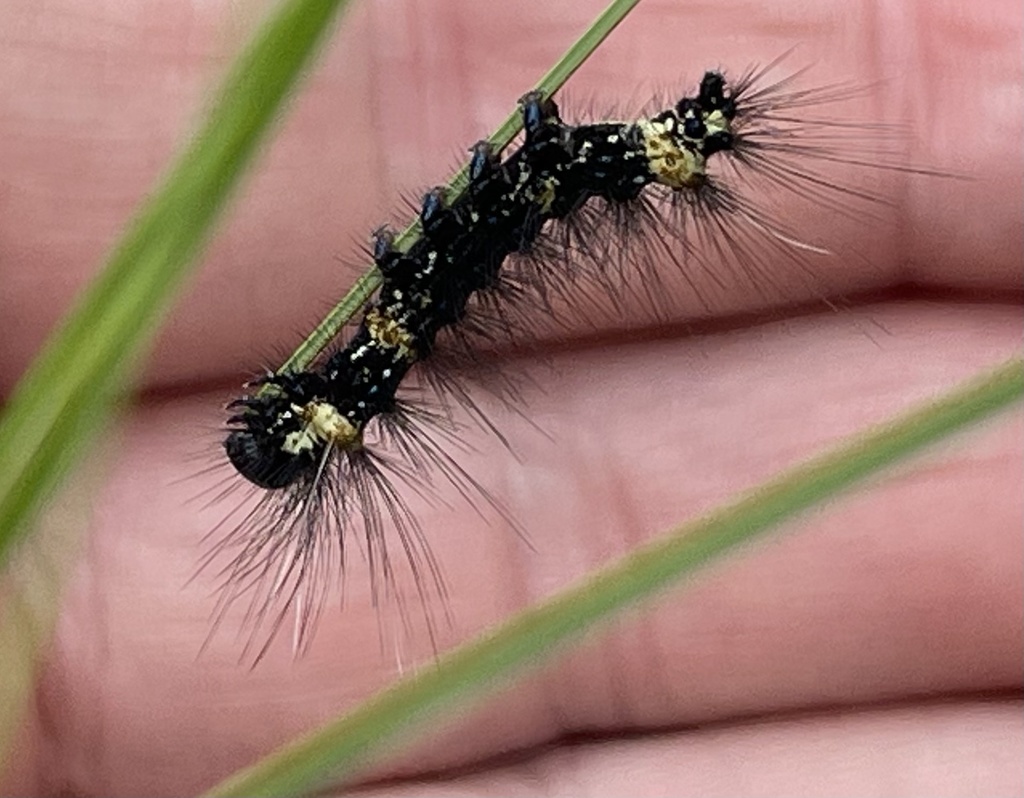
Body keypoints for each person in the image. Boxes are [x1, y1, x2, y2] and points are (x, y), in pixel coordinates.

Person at [1, 0, 1021, 795]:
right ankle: (653, 149)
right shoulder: (379, 337)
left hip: (541, 190)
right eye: (280, 421)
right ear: (308, 414)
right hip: (524, 199)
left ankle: (655, 147)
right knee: (473, 240)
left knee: (477, 239)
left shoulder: (377, 347)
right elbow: (440, 267)